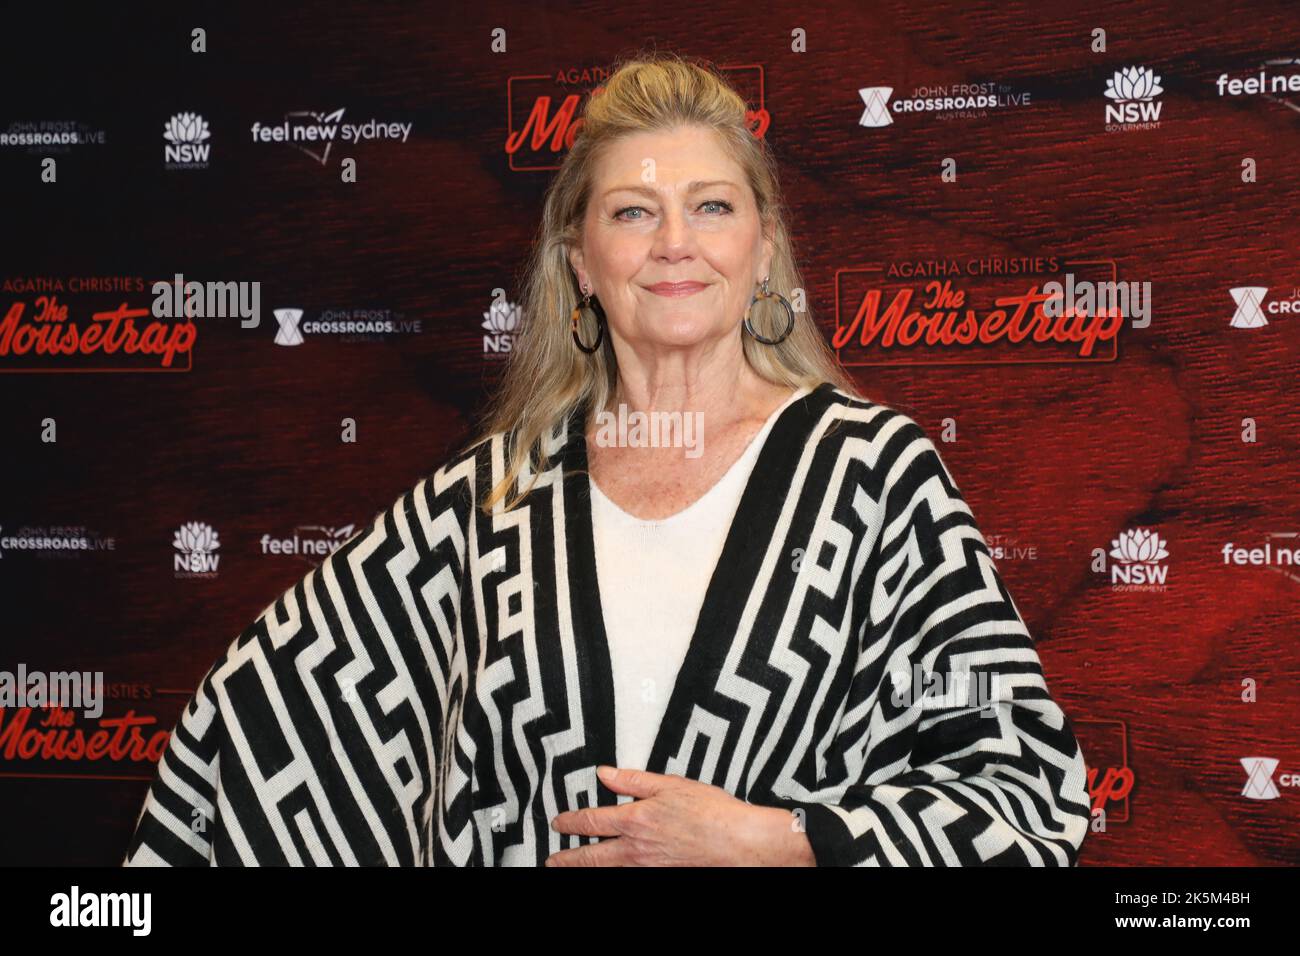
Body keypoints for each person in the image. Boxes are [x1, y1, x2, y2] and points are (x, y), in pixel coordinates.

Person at [123, 51, 1090, 866]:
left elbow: (1028, 793)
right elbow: (251, 736)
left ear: (764, 251)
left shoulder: (873, 475)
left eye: (711, 206)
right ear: (580, 263)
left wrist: (771, 840)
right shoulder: (490, 499)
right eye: (632, 212)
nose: (675, 244)